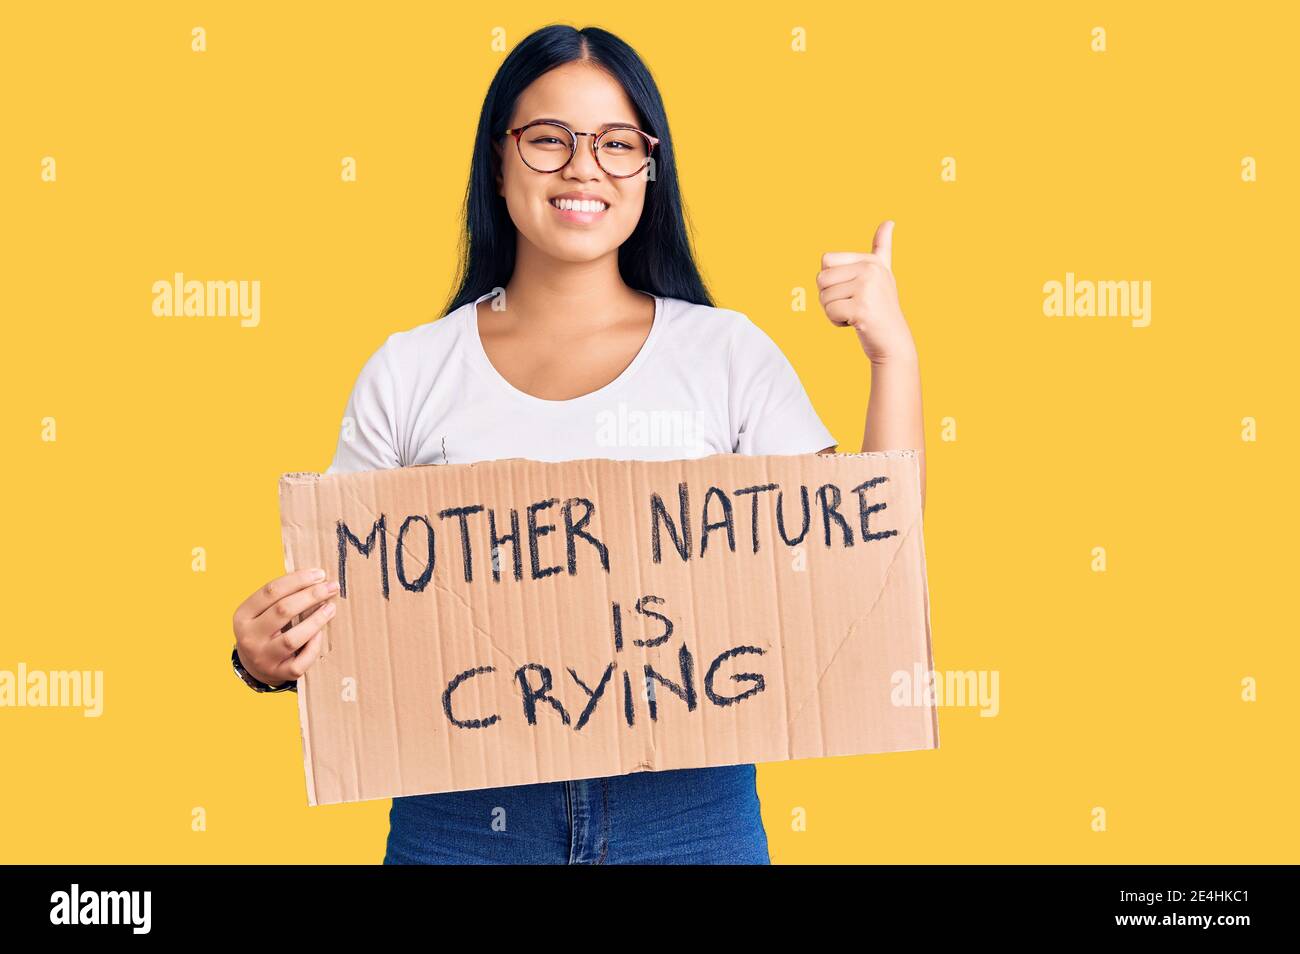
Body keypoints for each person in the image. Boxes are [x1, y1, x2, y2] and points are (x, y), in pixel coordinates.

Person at [230, 23, 925, 864]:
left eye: (616, 143)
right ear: (498, 159)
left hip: (689, 816)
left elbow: (869, 567)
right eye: (549, 140)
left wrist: (893, 356)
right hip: (463, 822)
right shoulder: (409, 371)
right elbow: (343, 615)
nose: (584, 167)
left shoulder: (727, 355)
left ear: (649, 168)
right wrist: (265, 658)